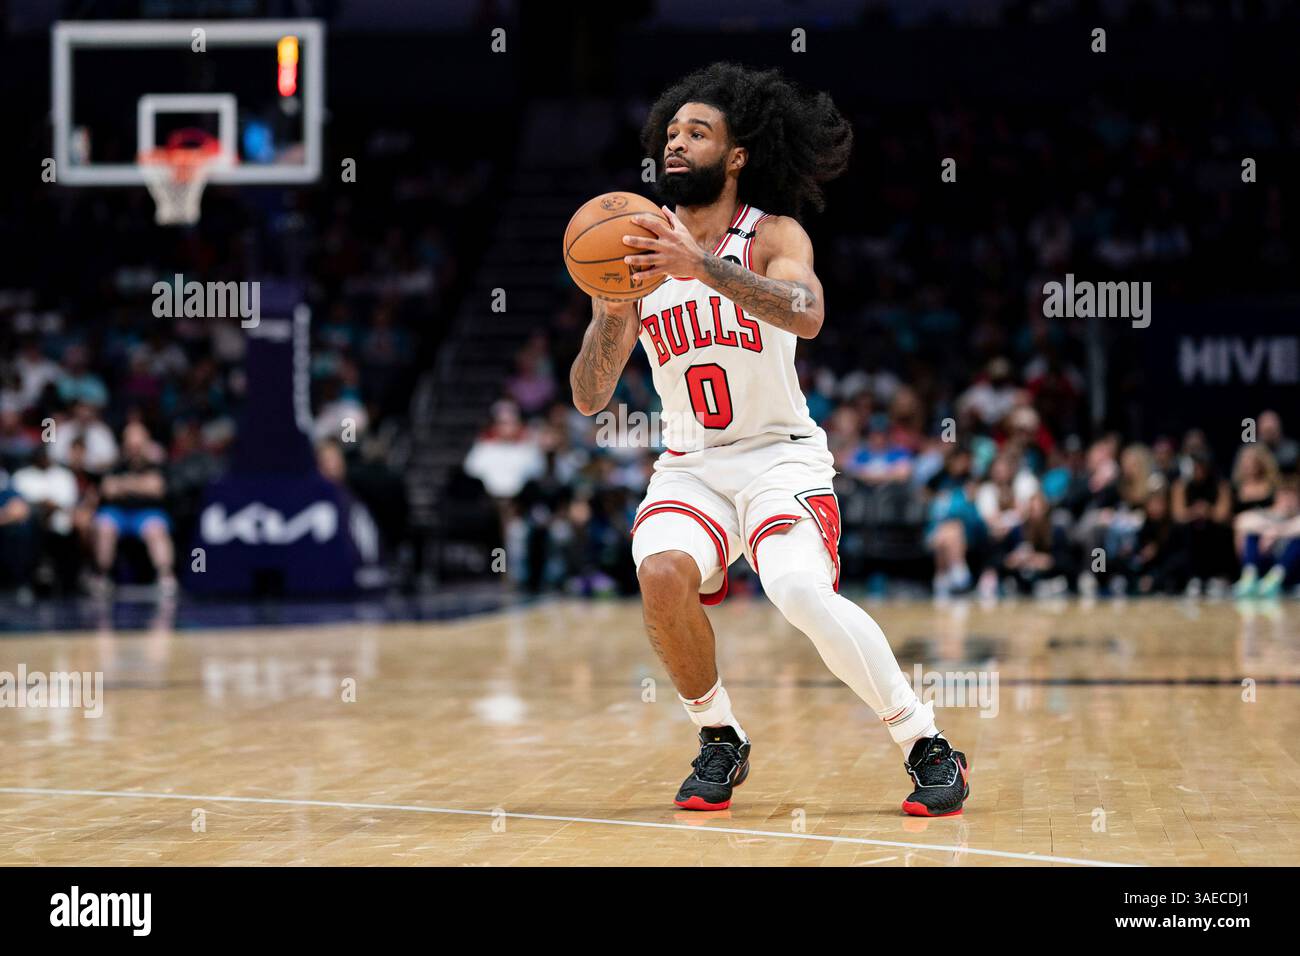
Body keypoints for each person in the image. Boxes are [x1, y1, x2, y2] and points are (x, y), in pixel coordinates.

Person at [567, 63, 967, 818]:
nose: (677, 143)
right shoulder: (634, 243)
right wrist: (614, 309)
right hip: (691, 464)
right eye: (671, 133)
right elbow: (590, 395)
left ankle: (926, 743)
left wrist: (703, 268)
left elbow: (805, 313)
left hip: (781, 455)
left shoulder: (773, 234)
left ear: (738, 154)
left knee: (795, 590)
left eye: (697, 132)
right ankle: (719, 736)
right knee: (658, 572)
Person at [91, 422, 177, 597]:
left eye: (139, 444)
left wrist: (123, 485)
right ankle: (102, 575)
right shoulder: (116, 463)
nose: (135, 449)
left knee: (155, 529)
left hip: (148, 513)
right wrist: (140, 484)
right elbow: (107, 489)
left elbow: (156, 488)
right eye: (131, 444)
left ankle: (166, 577)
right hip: (117, 513)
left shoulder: (157, 463)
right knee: (104, 526)